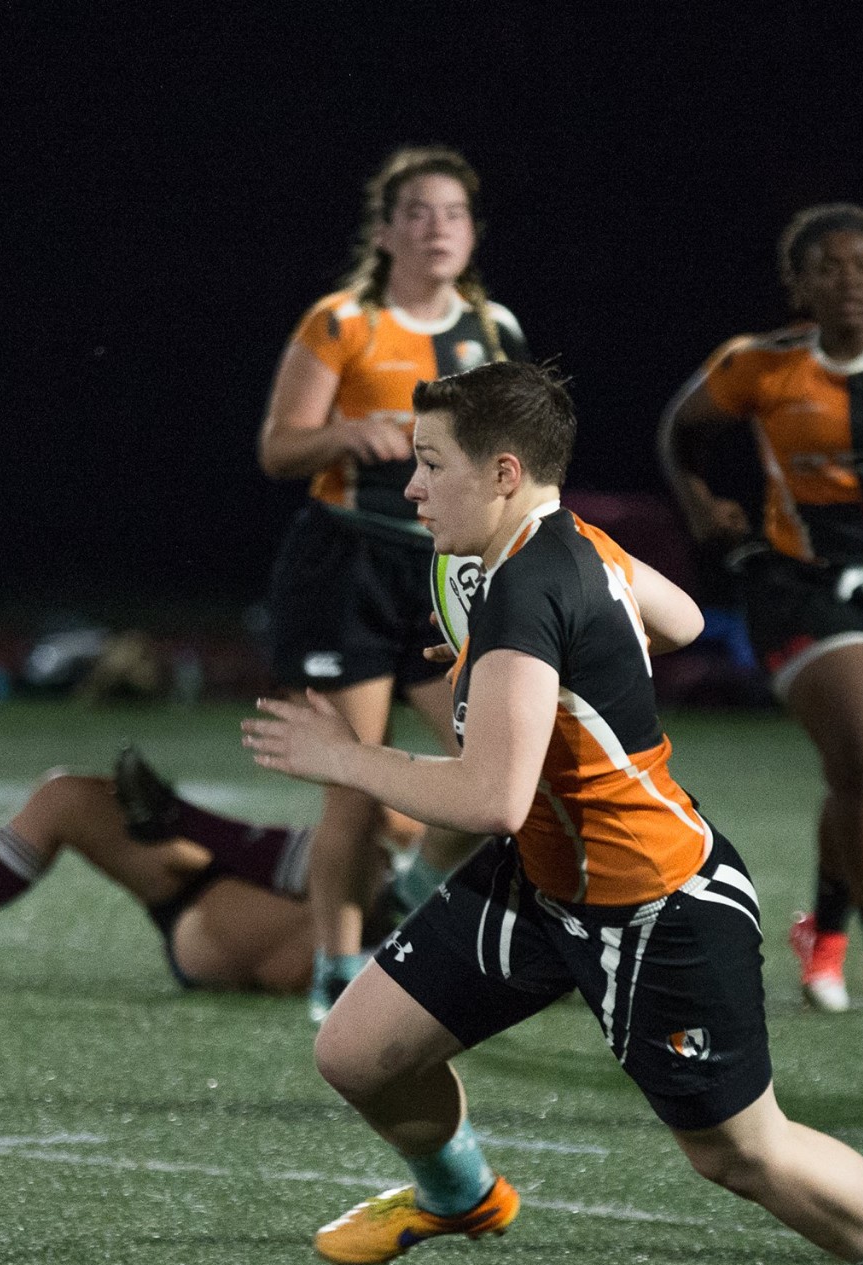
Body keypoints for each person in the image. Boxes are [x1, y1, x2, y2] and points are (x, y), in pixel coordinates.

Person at [242, 361, 863, 1265]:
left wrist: (340, 759)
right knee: (359, 1052)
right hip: (549, 882)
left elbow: (488, 800)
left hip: (655, 907)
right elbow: (677, 618)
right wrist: (565, 650)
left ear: (503, 472)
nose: (409, 488)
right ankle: (456, 1192)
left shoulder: (526, 585)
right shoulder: (556, 546)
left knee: (740, 1154)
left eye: (428, 465)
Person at [658, 204, 863, 1013]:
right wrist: (702, 508)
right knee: (861, 759)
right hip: (800, 585)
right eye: (827, 266)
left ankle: (822, 938)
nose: (847, 280)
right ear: (799, 285)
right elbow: (680, 432)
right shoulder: (760, 365)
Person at [257, 145, 529, 1020]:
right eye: (418, 212)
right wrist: (351, 433)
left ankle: (415, 881)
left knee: (499, 769)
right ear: (385, 230)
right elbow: (278, 448)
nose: (437, 228)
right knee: (354, 778)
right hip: (348, 566)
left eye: (453, 214)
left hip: (447, 572)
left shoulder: (497, 334)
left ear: (473, 232)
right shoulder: (342, 322)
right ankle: (335, 971)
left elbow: (519, 462)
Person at [0, 748, 330, 993]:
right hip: (247, 878)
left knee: (373, 853)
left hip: (277, 923)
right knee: (62, 798)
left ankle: (185, 819)